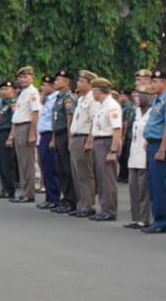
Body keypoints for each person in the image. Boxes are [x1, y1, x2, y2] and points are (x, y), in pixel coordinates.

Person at [140, 69, 166, 233]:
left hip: (161, 145)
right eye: (152, 82)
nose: (152, 85)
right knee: (153, 184)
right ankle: (157, 219)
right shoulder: (157, 101)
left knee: (160, 185)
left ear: (164, 83)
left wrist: (162, 149)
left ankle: (162, 222)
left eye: (156, 82)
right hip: (153, 145)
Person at [86, 79, 122, 221]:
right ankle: (104, 207)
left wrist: (113, 150)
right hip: (99, 141)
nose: (92, 94)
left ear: (99, 91)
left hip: (107, 141)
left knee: (108, 178)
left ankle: (109, 210)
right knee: (101, 177)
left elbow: (117, 129)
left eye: (93, 90)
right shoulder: (101, 105)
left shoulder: (111, 106)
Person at [68, 72, 98, 218]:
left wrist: (90, 140)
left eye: (82, 81)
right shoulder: (81, 99)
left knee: (85, 174)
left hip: (84, 137)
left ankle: (88, 205)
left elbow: (94, 121)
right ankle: (81, 203)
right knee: (77, 174)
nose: (78, 83)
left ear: (90, 83)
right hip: (76, 136)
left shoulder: (92, 99)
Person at [9, 66, 41, 202]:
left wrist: (32, 133)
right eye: (20, 77)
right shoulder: (23, 93)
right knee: (22, 162)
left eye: (26, 77)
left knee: (28, 163)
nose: (23, 79)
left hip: (27, 126)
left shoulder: (33, 92)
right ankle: (24, 191)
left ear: (32, 78)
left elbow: (35, 113)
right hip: (20, 126)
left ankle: (29, 193)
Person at [50, 71, 78, 214]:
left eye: (59, 79)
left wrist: (69, 139)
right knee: (60, 169)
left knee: (67, 170)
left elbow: (69, 120)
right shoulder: (58, 98)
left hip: (65, 135)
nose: (55, 81)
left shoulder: (68, 98)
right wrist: (54, 139)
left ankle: (71, 200)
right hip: (58, 134)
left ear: (67, 83)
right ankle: (65, 198)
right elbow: (55, 121)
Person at [125, 91, 151, 228]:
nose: (135, 99)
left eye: (138, 97)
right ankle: (135, 218)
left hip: (144, 155)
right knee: (133, 188)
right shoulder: (136, 112)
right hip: (134, 154)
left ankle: (144, 218)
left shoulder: (152, 113)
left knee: (143, 189)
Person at [37, 74, 60, 206]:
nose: (42, 88)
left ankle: (53, 197)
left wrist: (53, 138)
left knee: (50, 167)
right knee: (45, 166)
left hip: (51, 134)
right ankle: (49, 197)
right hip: (44, 134)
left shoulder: (56, 99)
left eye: (45, 85)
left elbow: (54, 121)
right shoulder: (48, 99)